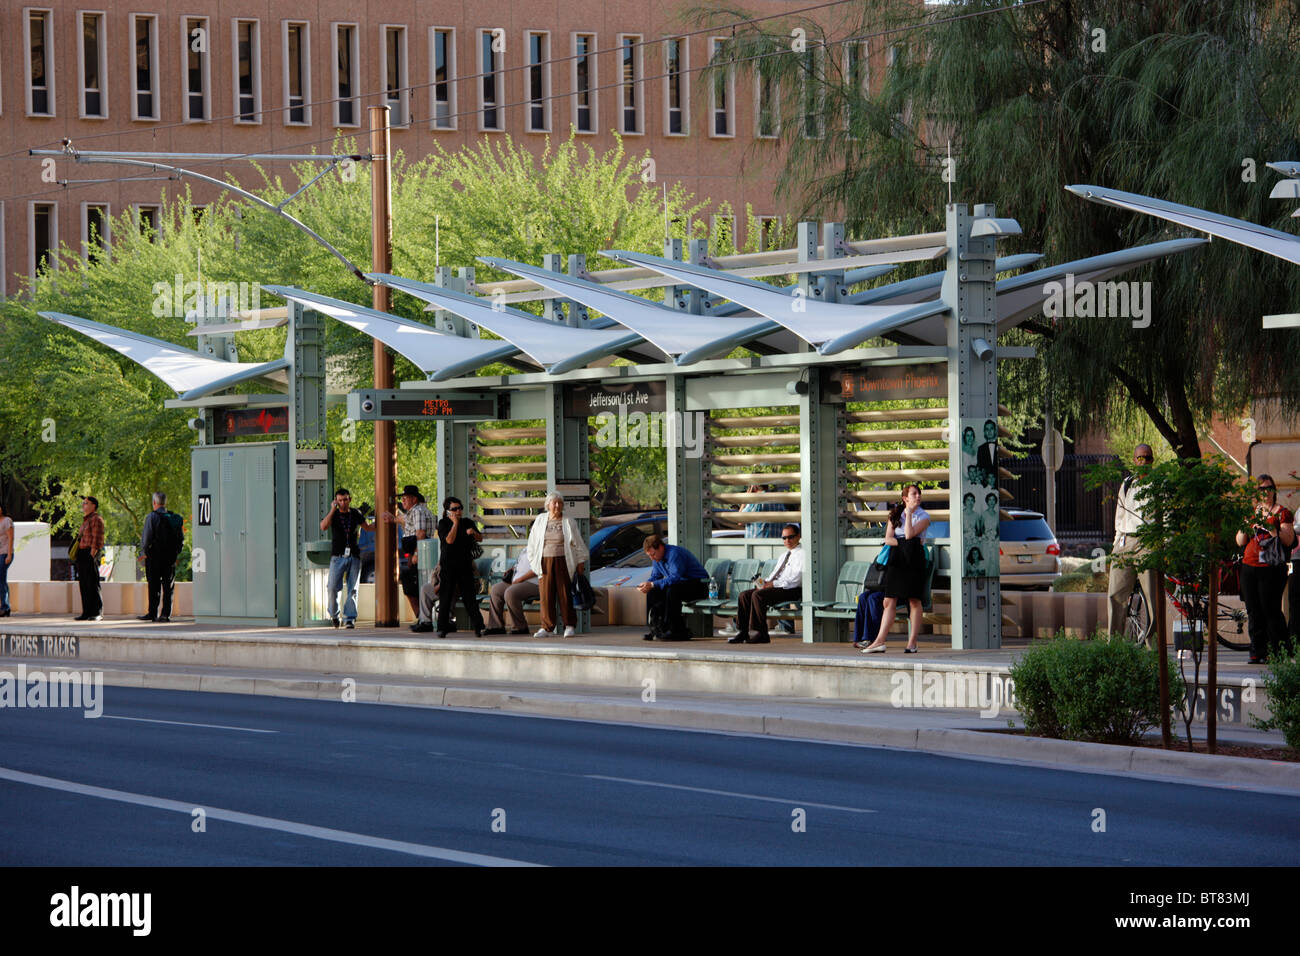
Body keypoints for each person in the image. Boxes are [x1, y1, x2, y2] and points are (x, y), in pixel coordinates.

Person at [860, 485, 931, 654]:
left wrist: (910, 514)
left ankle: (912, 642)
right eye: (914, 494)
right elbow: (888, 539)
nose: (918, 496)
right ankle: (879, 641)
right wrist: (904, 544)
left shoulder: (924, 516)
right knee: (889, 600)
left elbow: (909, 534)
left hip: (914, 560)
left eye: (919, 493)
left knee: (914, 600)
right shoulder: (895, 514)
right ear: (905, 498)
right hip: (897, 559)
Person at [1236, 474, 1295, 664]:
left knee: (1270, 609)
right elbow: (1239, 541)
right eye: (1262, 489)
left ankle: (1280, 651)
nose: (1266, 492)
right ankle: (1257, 651)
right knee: (1253, 610)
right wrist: (1247, 525)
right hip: (1249, 567)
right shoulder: (1252, 511)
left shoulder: (1282, 512)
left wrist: (1271, 528)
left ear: (1274, 490)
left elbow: (1289, 540)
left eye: (1269, 488)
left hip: (1271, 568)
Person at [1106, 444, 1157, 638]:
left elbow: (1167, 517)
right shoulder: (1127, 484)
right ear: (1135, 461)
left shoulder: (1159, 484)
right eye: (1139, 458)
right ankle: (1115, 648)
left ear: (1152, 460)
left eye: (1147, 457)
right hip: (1125, 542)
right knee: (1115, 595)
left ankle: (1153, 651)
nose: (1143, 461)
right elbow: (1119, 517)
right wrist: (1116, 545)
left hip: (1148, 541)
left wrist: (1164, 545)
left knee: (1151, 599)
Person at [526, 492, 588, 639]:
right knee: (546, 595)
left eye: (560, 503)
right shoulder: (540, 520)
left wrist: (580, 562)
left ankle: (569, 625)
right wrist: (534, 563)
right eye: (554, 503)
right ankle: (546, 627)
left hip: (563, 561)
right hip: (545, 561)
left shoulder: (568, 521)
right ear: (548, 505)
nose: (557, 506)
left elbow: (578, 542)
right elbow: (532, 543)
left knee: (565, 594)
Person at [729, 524, 803, 644]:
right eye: (784, 538)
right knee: (744, 595)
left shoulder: (802, 554)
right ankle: (743, 631)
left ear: (798, 537)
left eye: (791, 537)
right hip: (777, 587)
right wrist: (764, 583)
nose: (787, 540)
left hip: (790, 589)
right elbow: (775, 573)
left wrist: (772, 584)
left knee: (758, 596)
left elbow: (796, 579)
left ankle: (761, 633)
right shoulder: (784, 555)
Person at [638, 535, 710, 641]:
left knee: (673, 591)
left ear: (661, 547)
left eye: (653, 554)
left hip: (698, 585)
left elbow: (675, 577)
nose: (652, 558)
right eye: (649, 556)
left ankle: (675, 629)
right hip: (680, 585)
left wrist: (653, 584)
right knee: (653, 592)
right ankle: (656, 627)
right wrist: (647, 584)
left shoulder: (674, 554)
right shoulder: (656, 559)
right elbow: (655, 577)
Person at [321, 488, 373, 629]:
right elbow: (323, 526)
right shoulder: (334, 515)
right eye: (339, 500)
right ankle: (334, 615)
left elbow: (367, 527)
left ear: (349, 499)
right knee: (332, 587)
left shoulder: (355, 513)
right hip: (337, 557)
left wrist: (384, 523)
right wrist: (332, 509)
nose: (343, 503)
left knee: (353, 589)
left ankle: (349, 618)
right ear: (336, 501)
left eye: (345, 499)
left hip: (354, 556)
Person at [435, 496, 486, 639]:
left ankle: (479, 626)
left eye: (460, 508)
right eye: (454, 509)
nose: (458, 511)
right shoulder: (443, 523)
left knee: (469, 597)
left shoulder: (468, 522)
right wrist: (455, 524)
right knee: (446, 596)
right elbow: (449, 540)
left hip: (464, 564)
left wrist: (473, 533)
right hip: (448, 565)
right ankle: (442, 628)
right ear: (448, 511)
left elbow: (480, 538)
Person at [381, 485, 434, 618]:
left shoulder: (418, 512)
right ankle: (422, 617)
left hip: (421, 555)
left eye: (405, 498)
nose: (402, 501)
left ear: (414, 499)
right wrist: (393, 519)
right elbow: (404, 519)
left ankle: (422, 617)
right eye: (402, 498)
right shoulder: (415, 512)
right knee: (413, 585)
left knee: (414, 586)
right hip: (419, 554)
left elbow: (420, 534)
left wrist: (416, 553)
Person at [138, 492, 182, 623]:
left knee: (154, 585)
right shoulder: (174, 518)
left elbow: (146, 539)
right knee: (168, 587)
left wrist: (144, 553)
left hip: (154, 557)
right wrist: (175, 553)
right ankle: (165, 615)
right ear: (165, 503)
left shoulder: (152, 517)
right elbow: (181, 539)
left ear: (154, 503)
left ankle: (152, 613)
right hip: (170, 558)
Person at [482, 549, 540, 635]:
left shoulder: (540, 546)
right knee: (496, 590)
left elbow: (538, 568)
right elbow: (521, 564)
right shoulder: (526, 548)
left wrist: (520, 579)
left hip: (534, 583)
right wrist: (512, 570)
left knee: (511, 593)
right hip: (517, 581)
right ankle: (496, 626)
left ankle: (520, 627)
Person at [73, 496, 105, 621]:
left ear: (94, 506)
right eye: (83, 503)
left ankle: (97, 612)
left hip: (90, 553)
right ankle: (86, 612)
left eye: (86, 503)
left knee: (92, 583)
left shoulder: (96, 519)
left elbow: (97, 539)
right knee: (84, 584)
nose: (83, 505)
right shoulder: (86, 520)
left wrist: (92, 554)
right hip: (82, 553)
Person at [0, 503, 13, 617]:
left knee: (1, 579)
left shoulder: (7, 521)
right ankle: (5, 607)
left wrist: (9, 555)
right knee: (1, 580)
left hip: (4, 554)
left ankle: (5, 607)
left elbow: (10, 538)